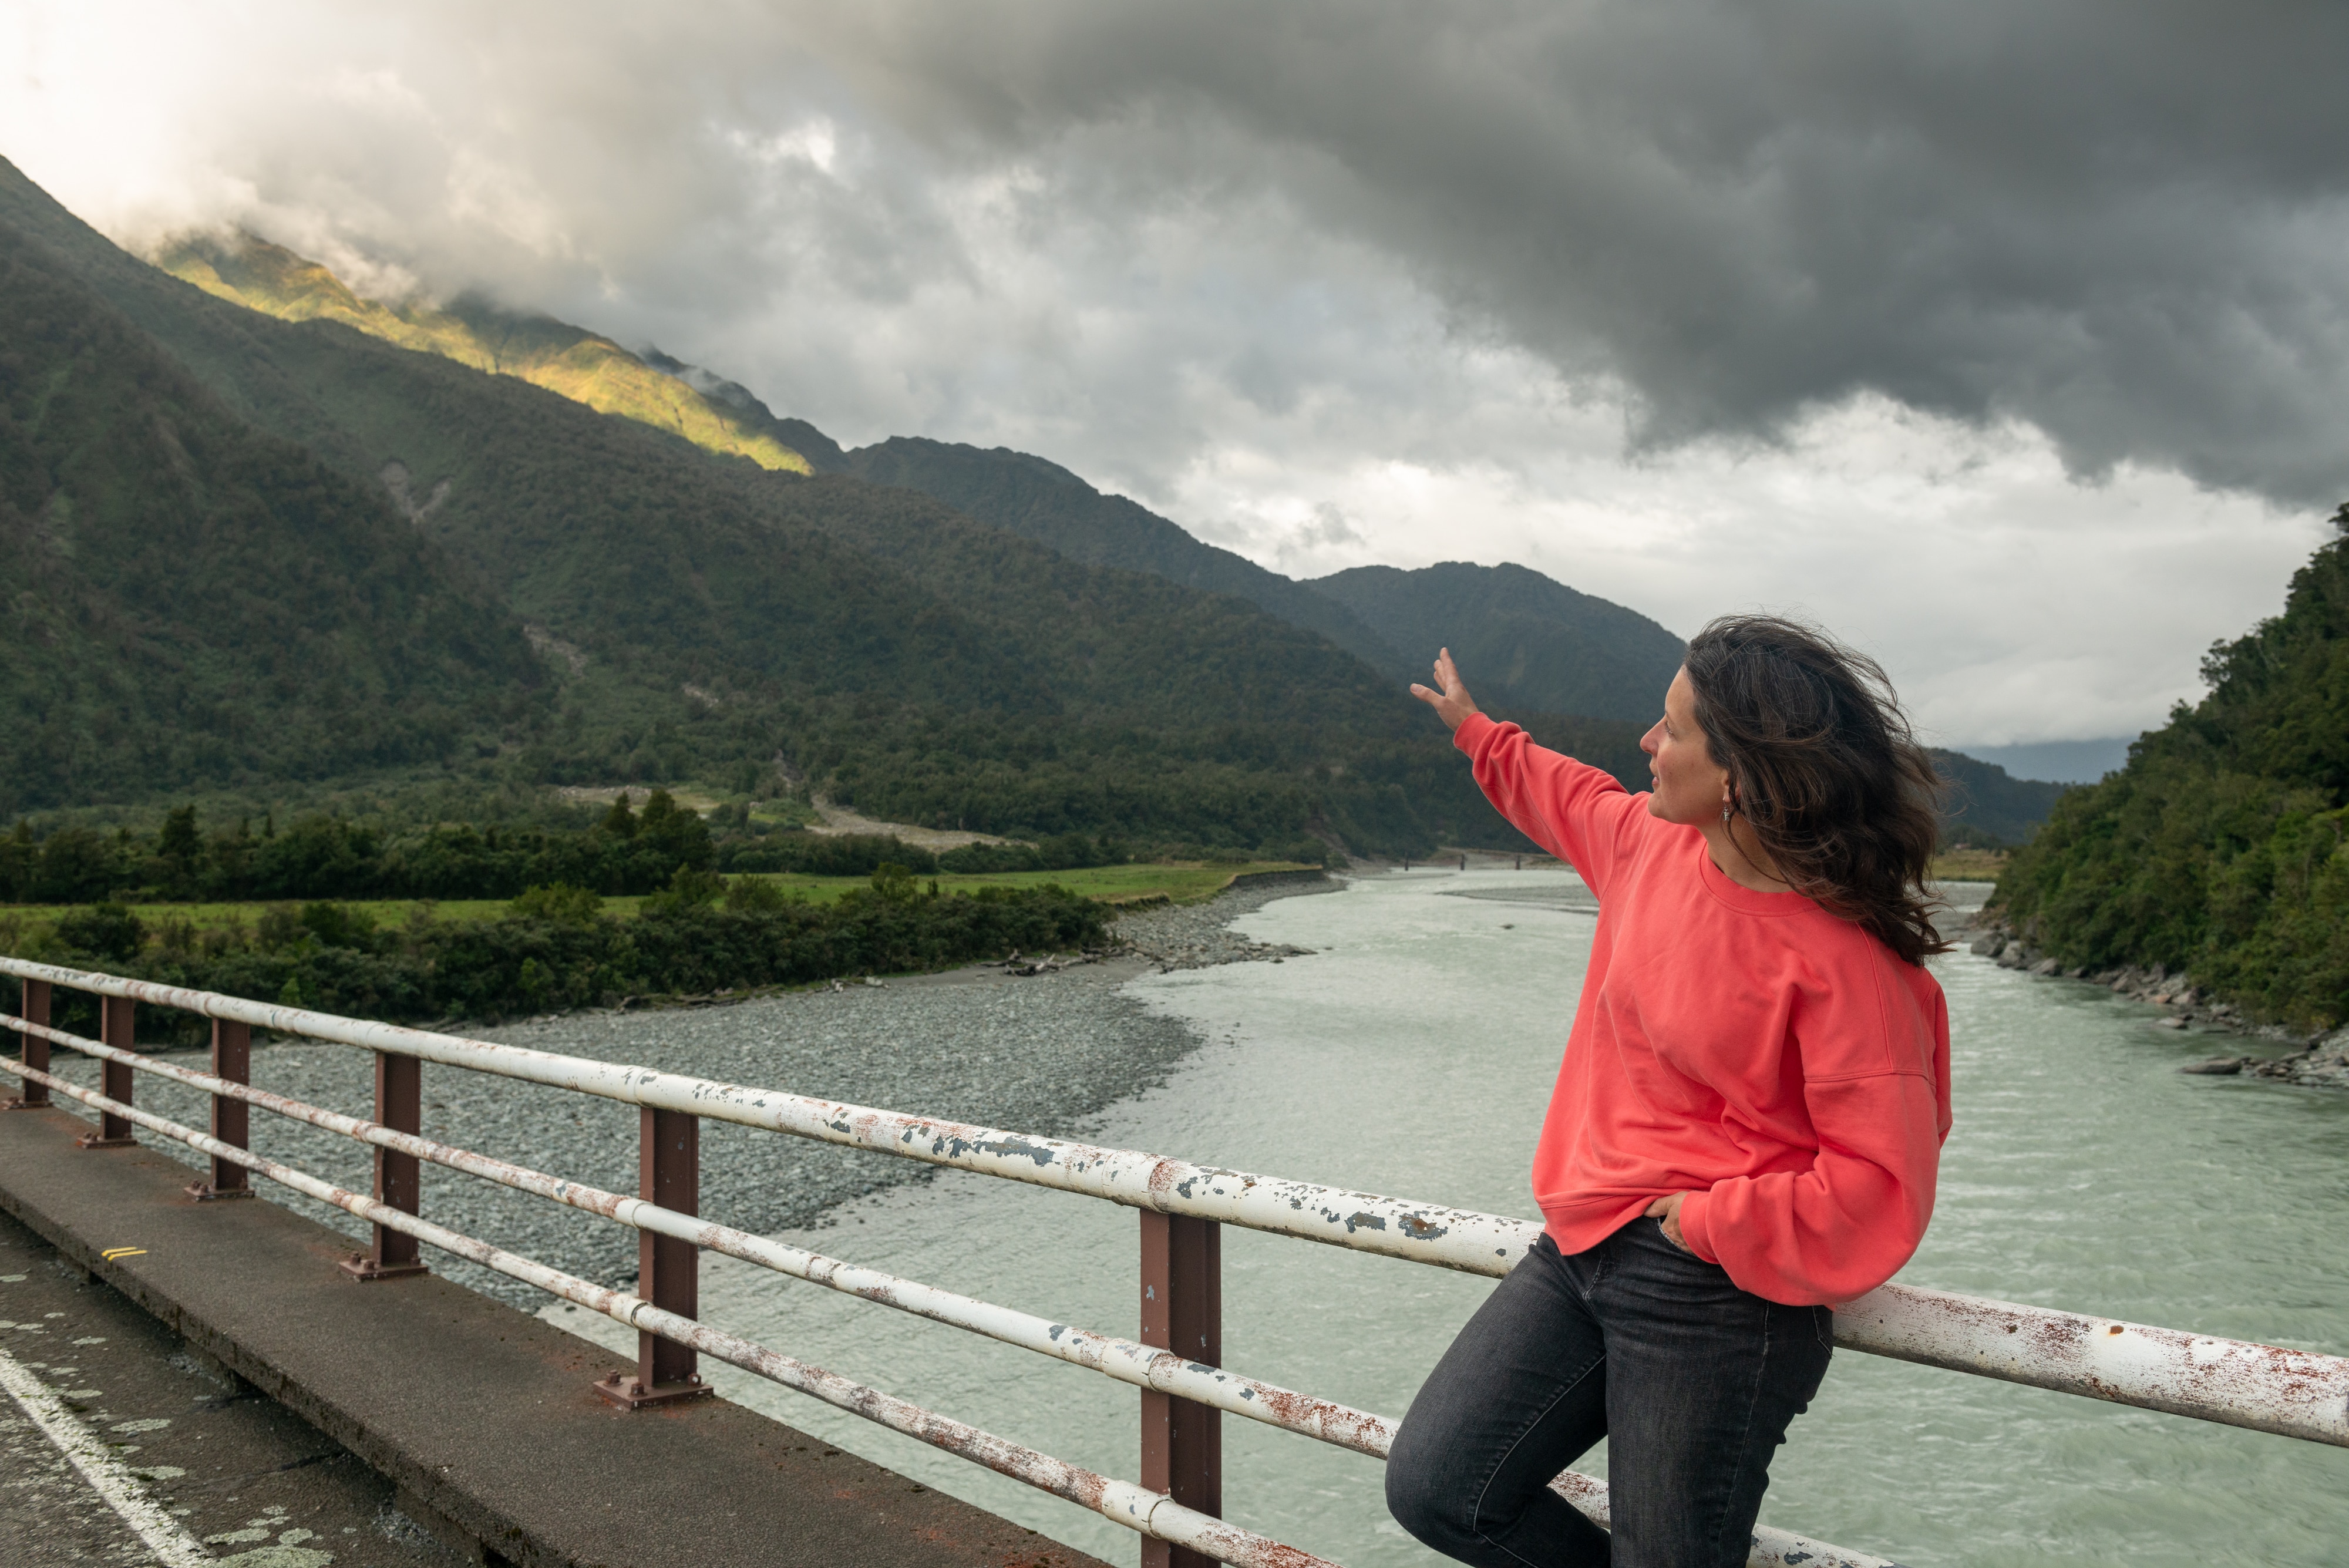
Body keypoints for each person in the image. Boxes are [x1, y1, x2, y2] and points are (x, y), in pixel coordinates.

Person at [1385, 615, 1953, 1568]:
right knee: (1441, 1486)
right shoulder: (1651, 848)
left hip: (1722, 1292)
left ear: (1740, 773)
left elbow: (1883, 1185)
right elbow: (1566, 793)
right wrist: (1477, 730)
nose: (1647, 744)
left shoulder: (1849, 964)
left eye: (1672, 729)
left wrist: (1709, 1222)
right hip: (1584, 1245)